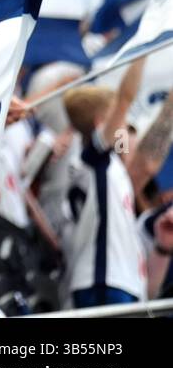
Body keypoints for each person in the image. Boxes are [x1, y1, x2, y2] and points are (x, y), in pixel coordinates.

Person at [59, 58, 149, 308]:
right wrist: (142, 53)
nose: (124, 122)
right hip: (103, 281)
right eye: (118, 118)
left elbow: (126, 148)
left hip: (120, 281)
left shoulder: (112, 163)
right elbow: (125, 99)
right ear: (101, 124)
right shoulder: (93, 159)